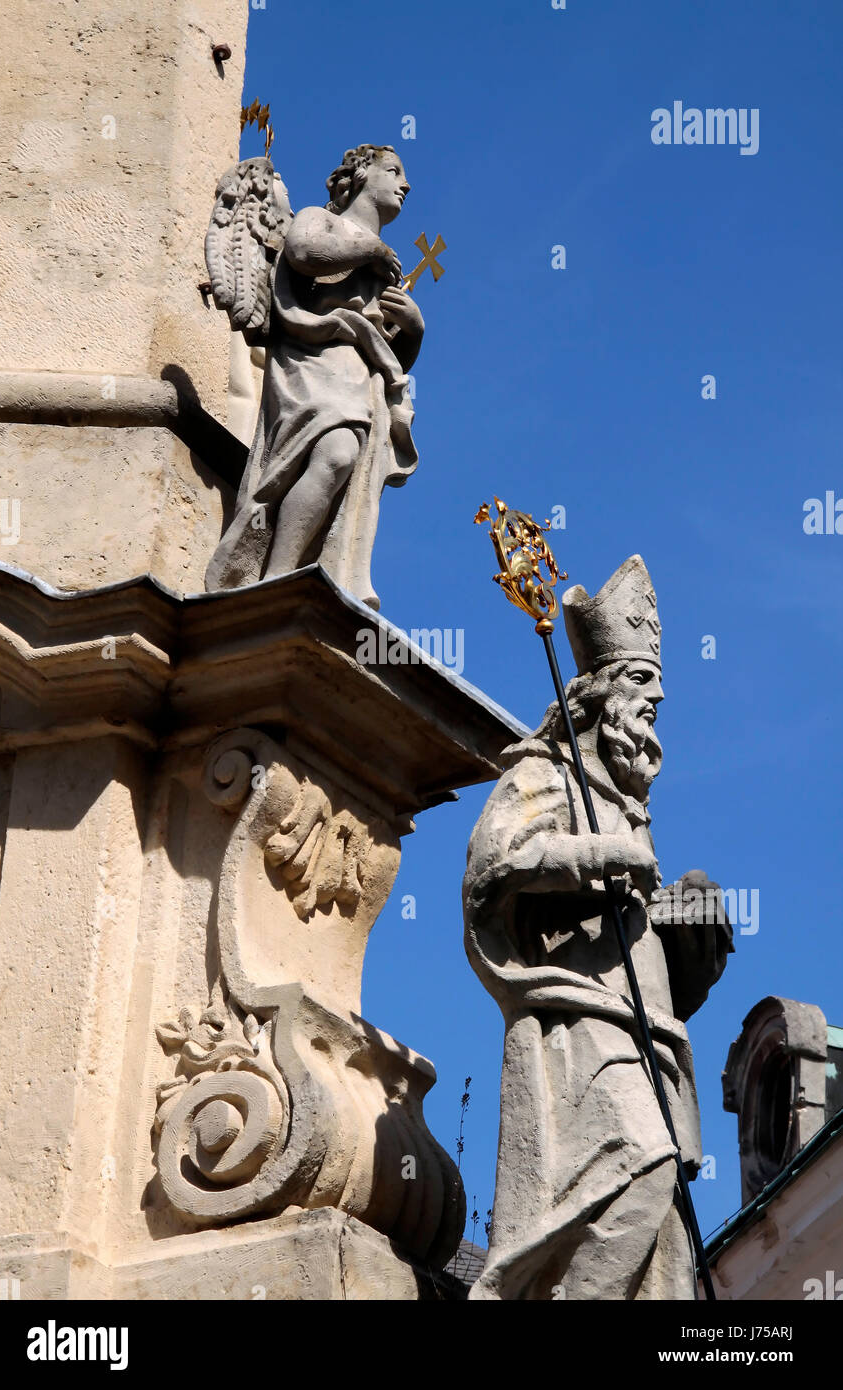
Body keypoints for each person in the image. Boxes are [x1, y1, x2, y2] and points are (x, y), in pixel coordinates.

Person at [463, 556, 731, 1300]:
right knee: (639, 1174)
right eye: (643, 686)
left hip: (646, 1035)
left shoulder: (624, 805)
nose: (659, 699)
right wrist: (599, 855)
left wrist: (692, 934)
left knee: (662, 1233)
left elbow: (650, 966)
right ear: (602, 694)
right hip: (577, 1023)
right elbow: (494, 864)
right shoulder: (544, 774)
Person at [205, 145, 423, 609]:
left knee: (342, 462)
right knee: (336, 452)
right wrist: (372, 249)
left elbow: (393, 353)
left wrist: (414, 329)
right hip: (311, 358)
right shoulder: (318, 219)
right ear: (361, 175)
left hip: (359, 372)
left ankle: (303, 570)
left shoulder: (386, 263)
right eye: (395, 172)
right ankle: (277, 576)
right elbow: (304, 252)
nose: (406, 184)